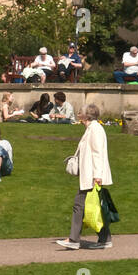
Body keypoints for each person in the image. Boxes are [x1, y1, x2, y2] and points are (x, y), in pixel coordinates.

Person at [56, 104, 113, 249]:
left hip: (93, 176)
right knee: (93, 208)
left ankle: (74, 239)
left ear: (87, 115)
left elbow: (98, 153)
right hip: (90, 175)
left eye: (80, 112)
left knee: (79, 205)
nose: (78, 113)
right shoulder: (91, 129)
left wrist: (97, 176)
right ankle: (105, 239)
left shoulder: (95, 129)